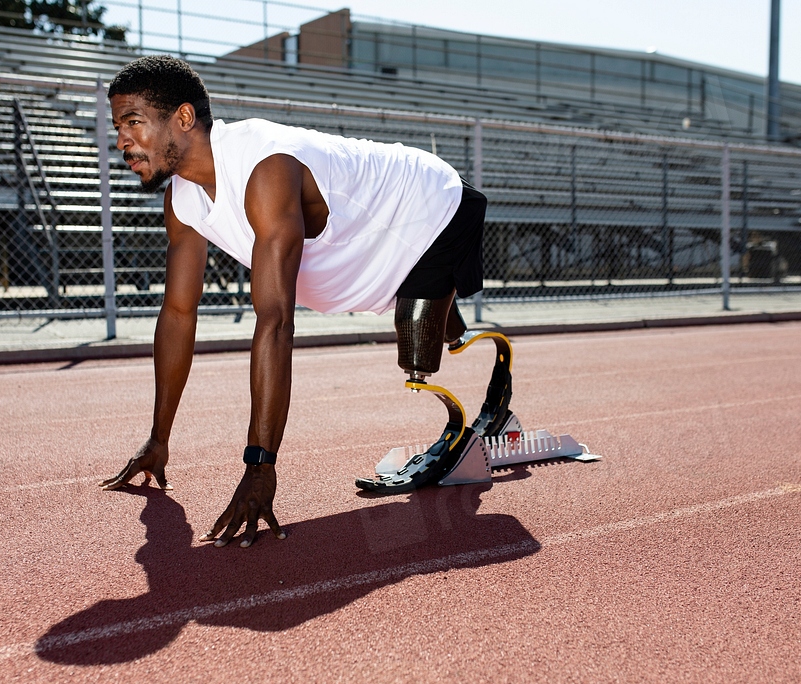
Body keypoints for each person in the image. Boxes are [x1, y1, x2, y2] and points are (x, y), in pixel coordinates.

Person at [100, 55, 512, 548]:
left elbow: (275, 322)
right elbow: (178, 314)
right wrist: (159, 438)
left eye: (133, 123)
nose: (122, 140)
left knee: (419, 350)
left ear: (183, 119)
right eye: (118, 126)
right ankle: (462, 335)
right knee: (426, 323)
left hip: (427, 206)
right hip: (364, 257)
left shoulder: (264, 168)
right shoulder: (183, 199)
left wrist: (260, 465)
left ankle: (481, 377)